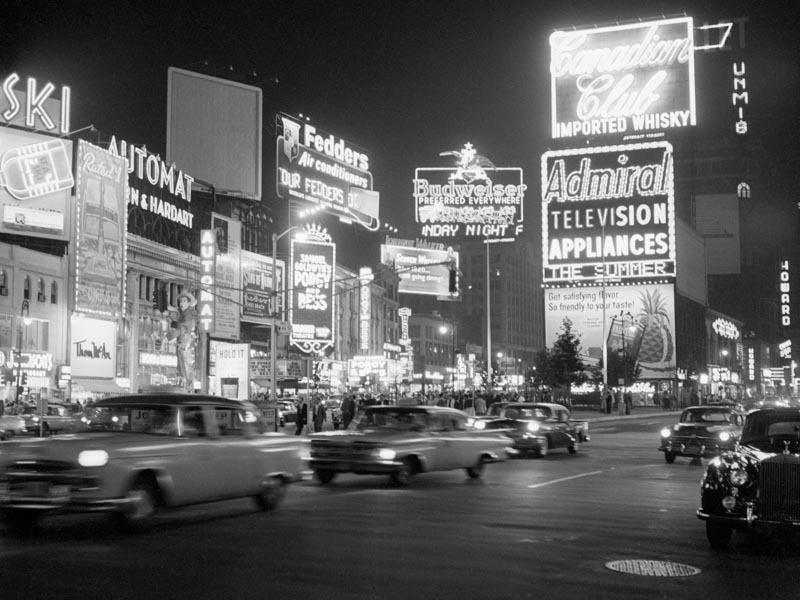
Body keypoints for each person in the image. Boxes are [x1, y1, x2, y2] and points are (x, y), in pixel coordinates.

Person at [170, 290, 198, 393]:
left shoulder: (188, 314)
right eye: (180, 301)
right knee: (183, 369)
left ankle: (189, 389)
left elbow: (182, 329)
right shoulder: (183, 314)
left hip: (186, 345)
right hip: (182, 345)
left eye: (184, 301)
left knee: (186, 370)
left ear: (188, 303)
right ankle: (187, 388)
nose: (181, 303)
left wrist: (167, 337)